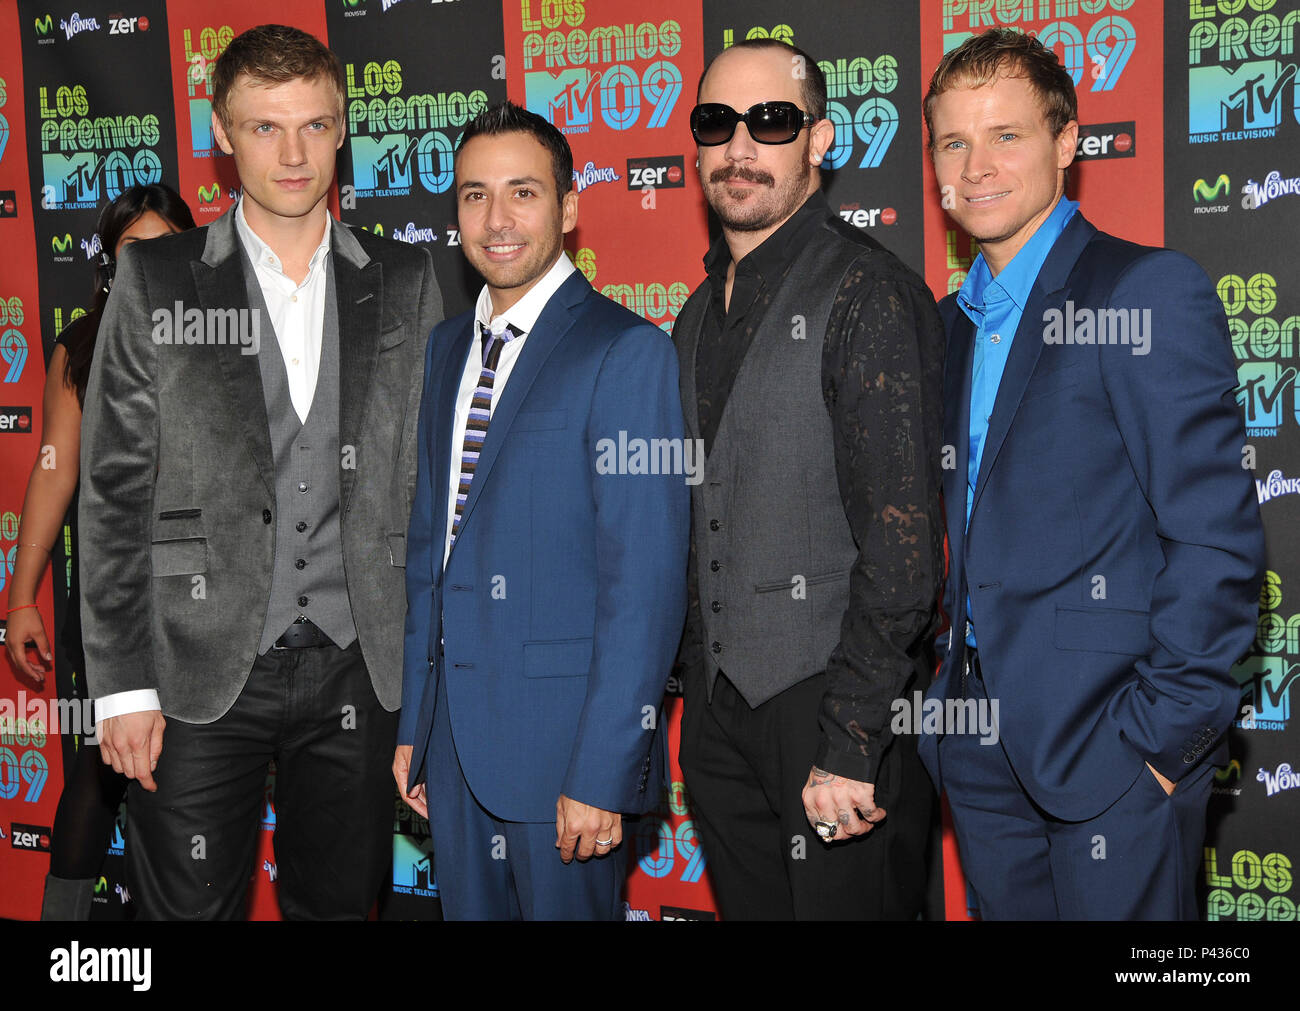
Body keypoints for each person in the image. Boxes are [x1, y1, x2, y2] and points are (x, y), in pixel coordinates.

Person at [77, 24, 443, 920]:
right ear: (222, 132)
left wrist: (435, 683)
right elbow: (114, 492)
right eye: (266, 127)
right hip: (196, 671)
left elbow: (434, 491)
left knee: (341, 908)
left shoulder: (405, 277)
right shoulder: (156, 280)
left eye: (315, 126)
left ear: (343, 128)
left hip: (362, 667)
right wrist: (122, 687)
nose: (293, 152)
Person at [919, 28, 1264, 920]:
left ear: (1067, 143)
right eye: (954, 142)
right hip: (979, 751)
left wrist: (1159, 744)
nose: (978, 165)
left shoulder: (1142, 291)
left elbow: (1214, 537)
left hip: (1114, 754)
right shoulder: (945, 326)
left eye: (1007, 135)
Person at [393, 101, 688, 920]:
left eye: (523, 192)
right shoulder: (445, 348)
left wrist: (603, 770)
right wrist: (417, 723)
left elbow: (647, 585)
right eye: (473, 195)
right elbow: (431, 546)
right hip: (452, 747)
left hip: (565, 755)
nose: (496, 219)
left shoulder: (625, 350)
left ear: (568, 207)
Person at [674, 39, 945, 920]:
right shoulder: (691, 315)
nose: (740, 145)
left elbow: (903, 552)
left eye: (772, 122)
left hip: (832, 715)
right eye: (717, 123)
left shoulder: (868, 293)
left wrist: (853, 736)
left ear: (819, 140)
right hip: (720, 720)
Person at [5, 185, 195, 920]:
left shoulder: (221, 334)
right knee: (98, 767)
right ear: (111, 266)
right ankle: (66, 945)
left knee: (190, 781)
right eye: (131, 252)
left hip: (206, 597)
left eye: (163, 248)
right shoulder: (83, 344)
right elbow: (55, 467)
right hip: (114, 594)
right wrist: (22, 593)